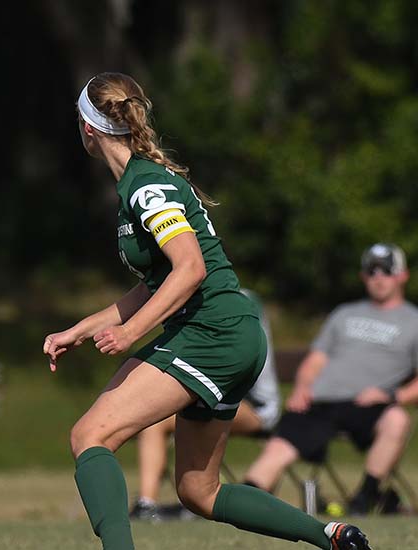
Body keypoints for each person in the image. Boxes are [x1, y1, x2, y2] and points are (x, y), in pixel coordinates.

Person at [41, 72, 370, 550]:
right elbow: (156, 283)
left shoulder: (147, 186)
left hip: (209, 332)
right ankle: (331, 535)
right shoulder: (142, 183)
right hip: (230, 334)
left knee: (90, 436)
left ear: (88, 129)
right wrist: (81, 328)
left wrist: (132, 333)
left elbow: (190, 268)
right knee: (200, 491)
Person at [244, 243, 418, 515]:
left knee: (398, 419)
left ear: (402, 275)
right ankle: (246, 503)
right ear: (363, 276)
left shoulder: (413, 320)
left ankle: (364, 499)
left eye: (386, 270)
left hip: (370, 406)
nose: (379, 277)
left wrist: (393, 397)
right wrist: (302, 388)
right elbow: (315, 361)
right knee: (278, 449)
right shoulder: (344, 314)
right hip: (320, 401)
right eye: (371, 271)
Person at [131, 288, 281, 521]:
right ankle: (146, 506)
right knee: (153, 421)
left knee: (176, 416)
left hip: (253, 403)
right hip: (211, 390)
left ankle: (199, 500)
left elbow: (230, 359)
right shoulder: (191, 295)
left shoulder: (240, 300)